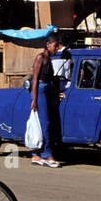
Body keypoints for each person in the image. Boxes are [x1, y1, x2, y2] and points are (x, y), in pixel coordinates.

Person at [30, 34, 67, 168]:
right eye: (55, 45)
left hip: (46, 90)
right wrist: (34, 99)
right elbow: (35, 79)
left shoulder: (49, 59)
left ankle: (36, 154)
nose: (56, 48)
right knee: (45, 123)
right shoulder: (40, 57)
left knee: (43, 123)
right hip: (39, 91)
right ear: (48, 45)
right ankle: (47, 154)